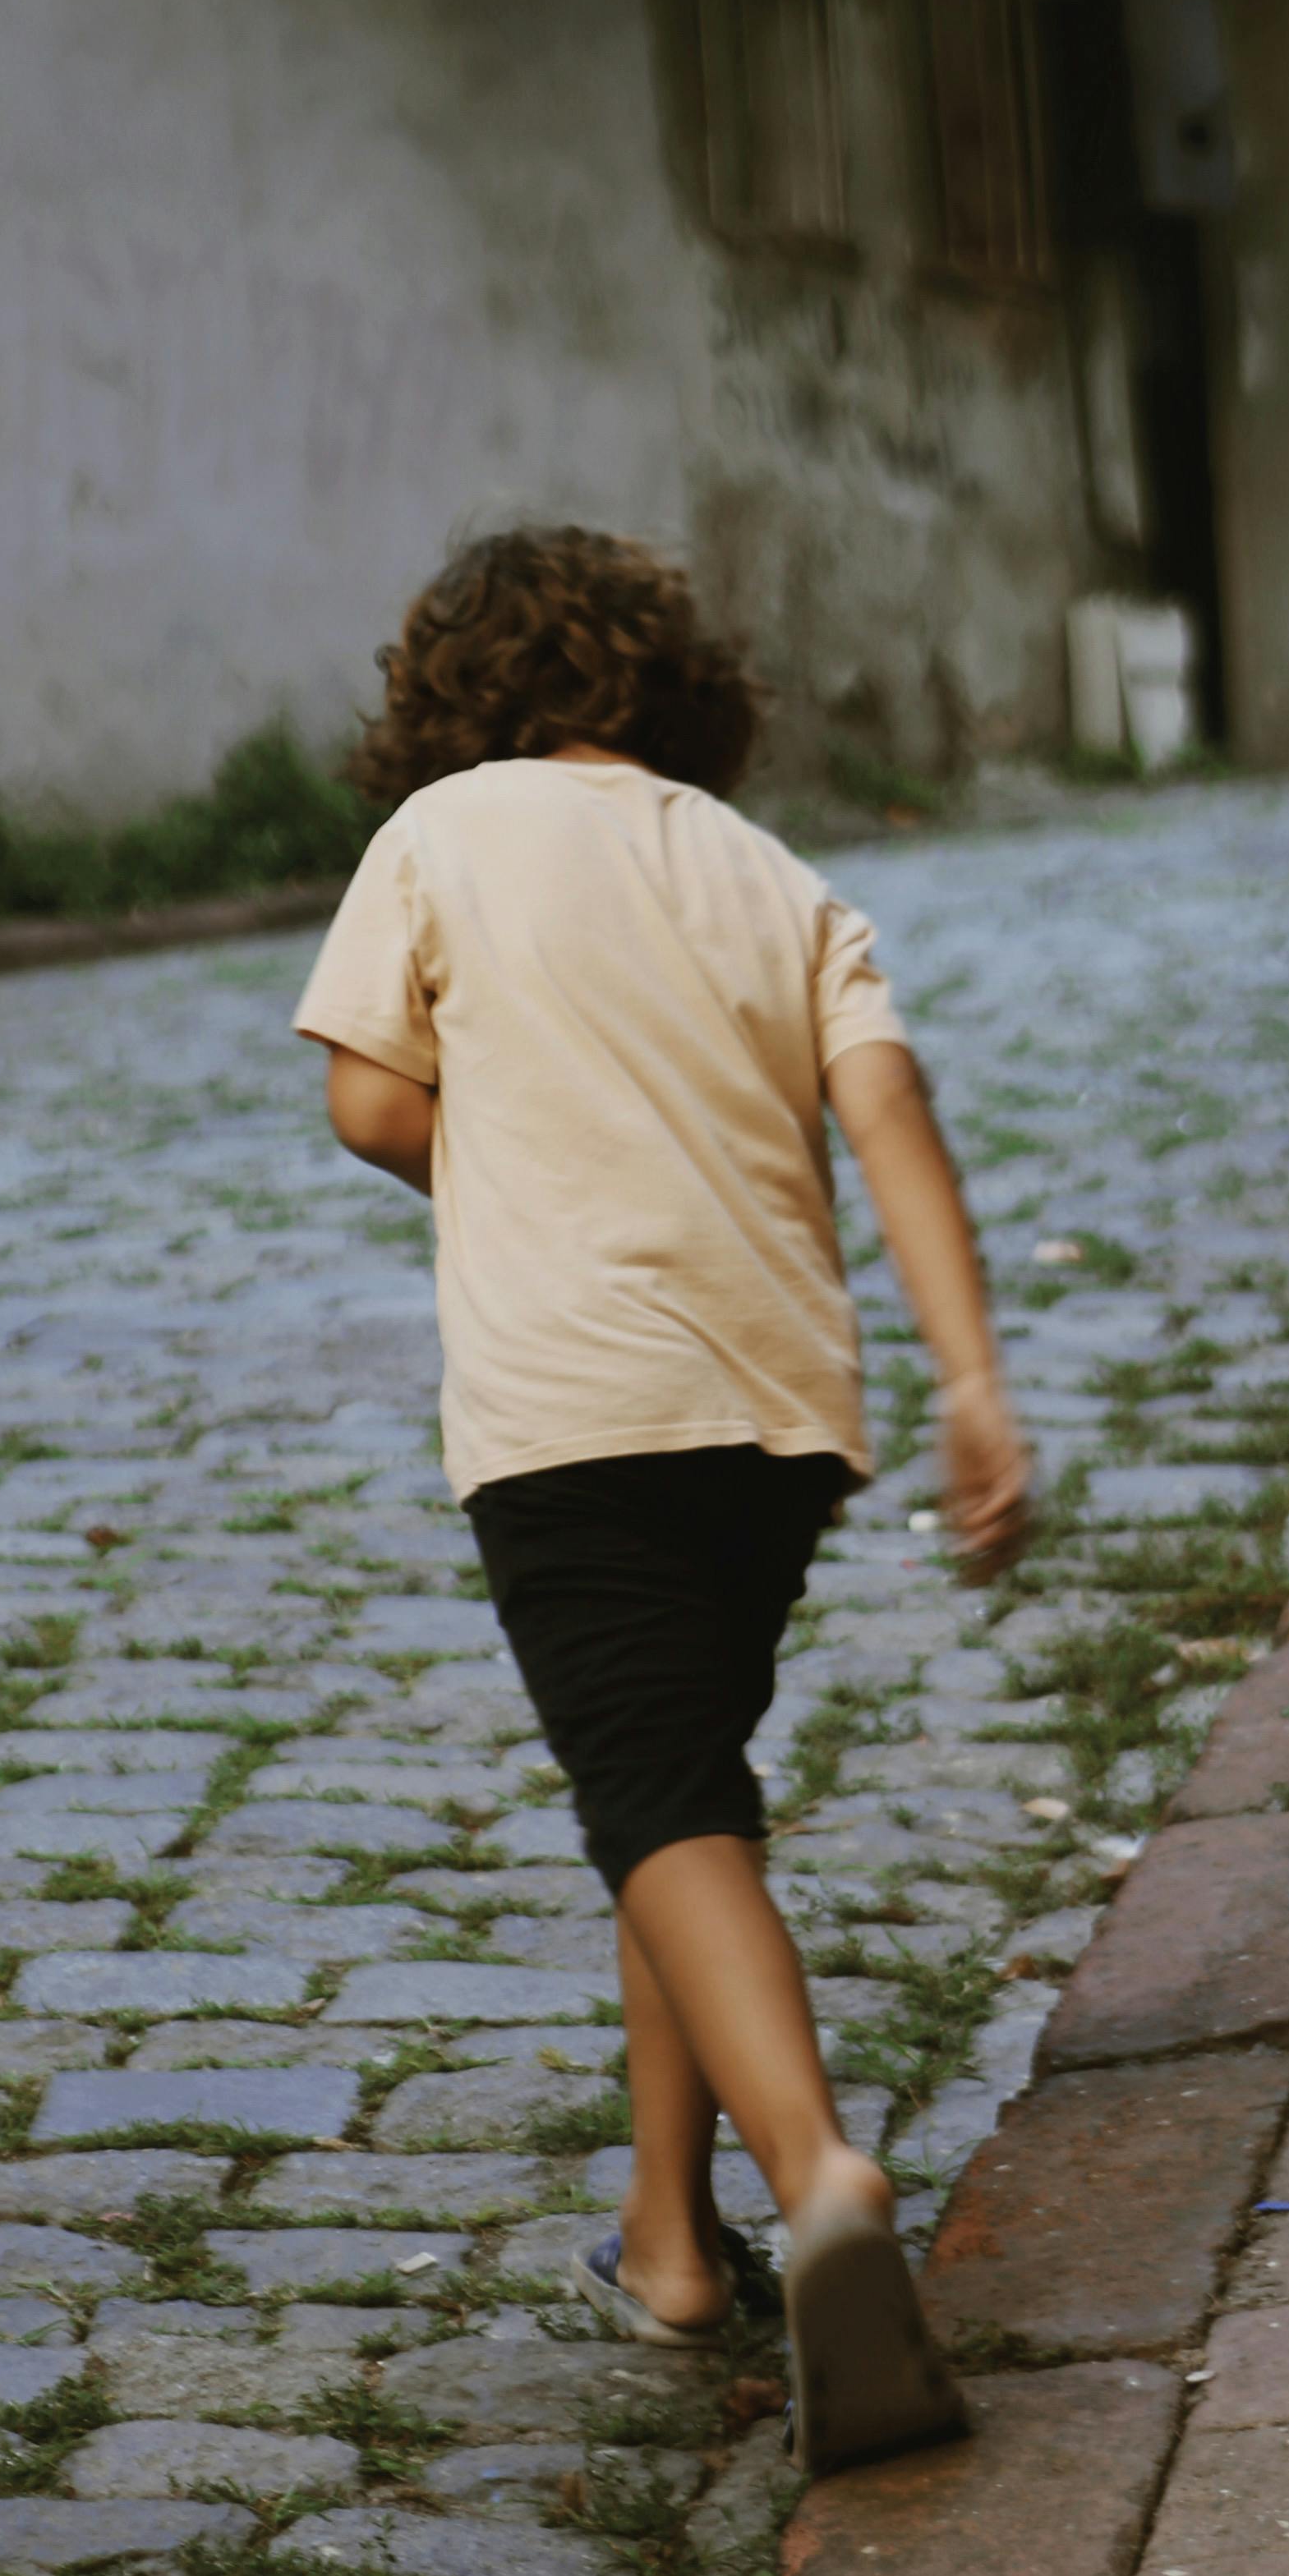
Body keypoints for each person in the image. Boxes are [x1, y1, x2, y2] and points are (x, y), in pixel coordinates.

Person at [293, 525, 1029, 2473]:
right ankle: (669, 2247)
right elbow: (890, 1113)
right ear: (678, 690)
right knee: (670, 1783)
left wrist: (522, 1150)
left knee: (659, 1797)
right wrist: (971, 1382)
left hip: (577, 1406)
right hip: (777, 1410)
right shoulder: (769, 872)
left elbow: (371, 1102)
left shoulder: (445, 834)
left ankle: (817, 2183)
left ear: (444, 700)